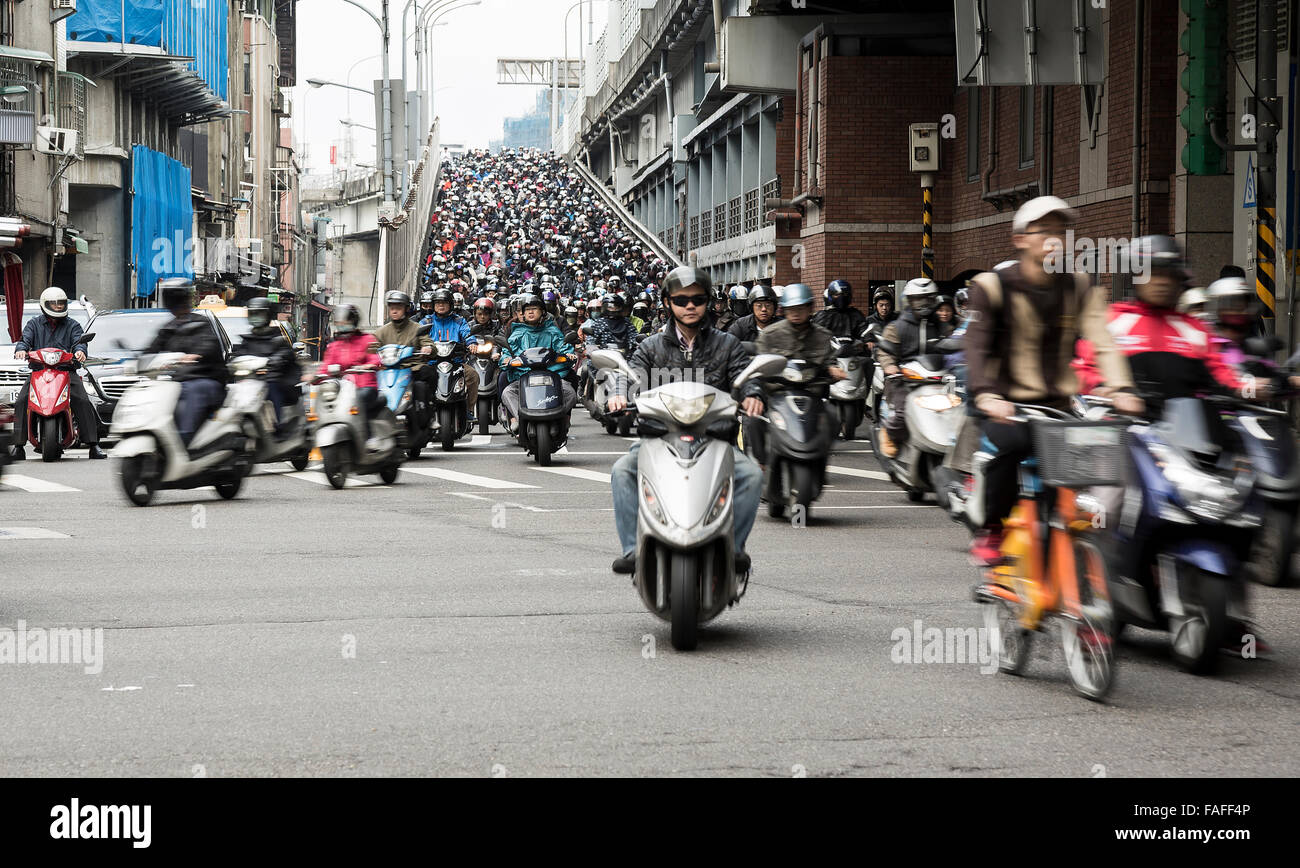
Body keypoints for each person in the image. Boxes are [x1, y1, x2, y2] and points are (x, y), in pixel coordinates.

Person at [964, 196, 1142, 565]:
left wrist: (1121, 388)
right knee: (1010, 445)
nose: (1054, 239)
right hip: (1008, 407)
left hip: (1060, 409)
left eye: (1060, 231)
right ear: (1020, 239)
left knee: (1102, 462)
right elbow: (976, 349)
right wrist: (986, 396)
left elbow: (1103, 339)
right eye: (1043, 230)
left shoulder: (1077, 286)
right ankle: (992, 529)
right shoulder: (992, 287)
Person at [606, 266, 765, 575]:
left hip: (715, 438)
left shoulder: (727, 344)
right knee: (622, 470)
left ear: (707, 302)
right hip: (660, 439)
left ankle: (733, 548)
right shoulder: (651, 346)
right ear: (667, 303)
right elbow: (630, 375)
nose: (690, 306)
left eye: (697, 299)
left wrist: (753, 394)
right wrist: (618, 393)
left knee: (752, 476)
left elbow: (746, 377)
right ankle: (631, 549)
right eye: (681, 300)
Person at [10, 286, 106, 459]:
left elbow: (79, 342)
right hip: (39, 372)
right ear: (44, 305)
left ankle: (93, 445)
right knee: (22, 400)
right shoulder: (34, 324)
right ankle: (18, 446)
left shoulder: (72, 325)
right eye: (54, 304)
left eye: (61, 304)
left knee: (82, 400)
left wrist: (80, 351)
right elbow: (25, 340)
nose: (58, 307)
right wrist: (22, 350)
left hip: (66, 372)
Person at [142, 278, 231, 447]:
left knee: (192, 389)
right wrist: (137, 363)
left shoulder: (201, 322)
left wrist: (194, 355)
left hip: (206, 379)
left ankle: (185, 440)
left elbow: (209, 344)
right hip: (178, 381)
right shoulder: (169, 328)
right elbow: (151, 349)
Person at [875, 278, 955, 458]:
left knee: (957, 409)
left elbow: (954, 344)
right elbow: (885, 352)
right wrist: (890, 366)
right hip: (905, 380)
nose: (924, 303)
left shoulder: (943, 326)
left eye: (928, 299)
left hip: (939, 380)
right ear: (909, 301)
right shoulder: (896, 327)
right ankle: (888, 433)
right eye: (919, 299)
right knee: (902, 412)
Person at [498, 293, 576, 435]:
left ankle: (563, 417)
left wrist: (568, 353)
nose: (531, 312)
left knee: (570, 391)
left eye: (534, 309)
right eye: (527, 310)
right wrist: (506, 358)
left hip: (551, 374)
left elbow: (562, 346)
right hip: (523, 374)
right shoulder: (517, 333)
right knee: (508, 392)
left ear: (543, 312)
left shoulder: (552, 331)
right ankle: (518, 418)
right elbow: (507, 351)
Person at [312, 304, 386, 449]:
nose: (342, 325)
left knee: (359, 400)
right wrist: (315, 377)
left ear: (354, 321)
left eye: (346, 321)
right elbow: (327, 366)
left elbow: (376, 359)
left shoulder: (368, 339)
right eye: (339, 322)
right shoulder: (334, 345)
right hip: (342, 389)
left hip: (365, 386)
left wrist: (368, 366)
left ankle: (369, 438)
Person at [231, 297, 300, 436]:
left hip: (273, 380)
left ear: (268, 315)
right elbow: (237, 355)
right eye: (253, 314)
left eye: (259, 314)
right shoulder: (247, 339)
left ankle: (278, 427)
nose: (256, 317)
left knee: (272, 388)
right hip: (250, 381)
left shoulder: (278, 339)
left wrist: (275, 360)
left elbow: (285, 354)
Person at [420, 288, 480, 422]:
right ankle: (424, 412)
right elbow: (418, 336)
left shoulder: (459, 321)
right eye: (438, 303)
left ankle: (468, 410)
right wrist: (422, 347)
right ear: (433, 305)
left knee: (473, 375)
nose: (441, 305)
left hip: (456, 362)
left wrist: (472, 343)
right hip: (432, 363)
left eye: (444, 302)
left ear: (451, 304)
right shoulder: (426, 322)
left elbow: (467, 333)